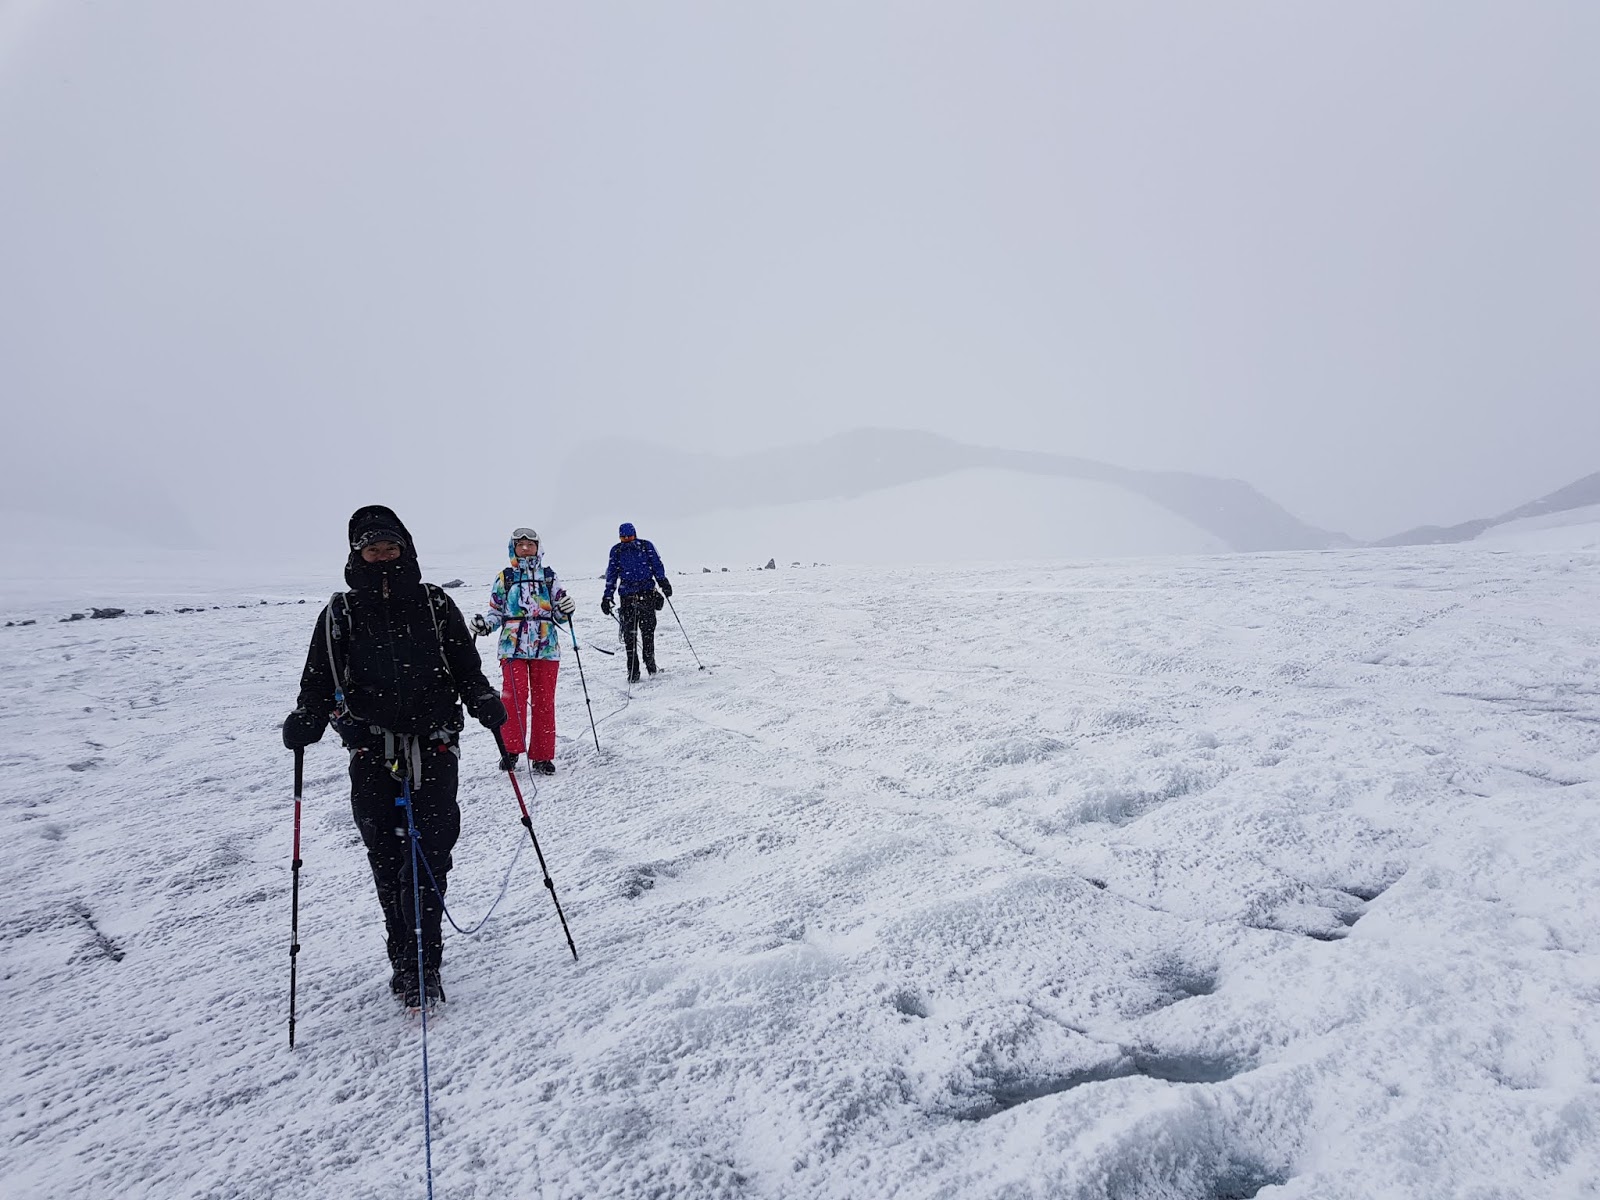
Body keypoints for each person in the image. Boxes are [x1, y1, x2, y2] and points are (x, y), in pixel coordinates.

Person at [282, 505, 507, 1010]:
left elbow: (465, 666)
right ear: (356, 553)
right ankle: (403, 956)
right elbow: (317, 681)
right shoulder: (340, 613)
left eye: (390, 546)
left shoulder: (433, 603)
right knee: (386, 857)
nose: (382, 556)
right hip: (370, 750)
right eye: (371, 547)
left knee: (429, 854)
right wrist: (306, 717)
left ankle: (425, 961)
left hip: (435, 745)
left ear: (405, 548)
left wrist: (483, 699)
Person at [470, 528, 576, 776]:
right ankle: (510, 751)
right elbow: (495, 613)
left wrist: (566, 608)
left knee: (544, 702)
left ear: (538, 547)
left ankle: (542, 756)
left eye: (530, 544)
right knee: (512, 699)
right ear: (513, 548)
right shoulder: (504, 577)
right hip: (512, 646)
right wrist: (485, 626)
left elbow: (560, 612)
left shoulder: (549, 576)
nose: (526, 548)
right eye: (521, 545)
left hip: (546, 647)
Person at [601, 521, 671, 684]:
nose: (627, 539)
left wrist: (663, 582)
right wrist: (607, 596)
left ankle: (650, 663)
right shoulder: (617, 551)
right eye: (624, 538)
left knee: (648, 632)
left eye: (629, 536)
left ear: (635, 534)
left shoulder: (646, 547)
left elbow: (656, 566)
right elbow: (611, 574)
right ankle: (633, 669)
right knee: (629, 636)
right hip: (627, 598)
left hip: (647, 596)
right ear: (619, 537)